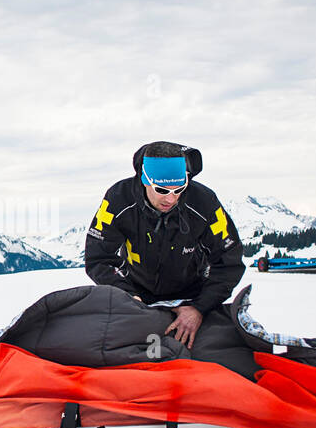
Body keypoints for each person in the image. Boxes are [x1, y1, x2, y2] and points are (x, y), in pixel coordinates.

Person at [85, 141, 244, 348]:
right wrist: (127, 296)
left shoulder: (204, 202)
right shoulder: (119, 199)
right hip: (136, 295)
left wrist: (199, 308)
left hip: (192, 296)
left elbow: (229, 261)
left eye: (179, 189)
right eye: (161, 189)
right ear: (145, 180)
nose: (171, 198)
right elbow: (99, 258)